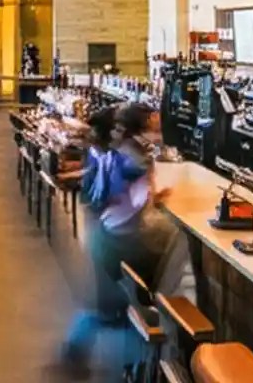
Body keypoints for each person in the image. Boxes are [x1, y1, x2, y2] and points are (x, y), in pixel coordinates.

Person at [59, 105, 170, 378]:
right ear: (142, 126)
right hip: (116, 242)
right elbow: (135, 200)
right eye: (154, 122)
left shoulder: (119, 150)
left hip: (106, 237)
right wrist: (156, 200)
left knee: (114, 307)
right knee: (114, 309)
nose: (158, 127)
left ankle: (116, 363)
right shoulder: (136, 158)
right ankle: (127, 365)